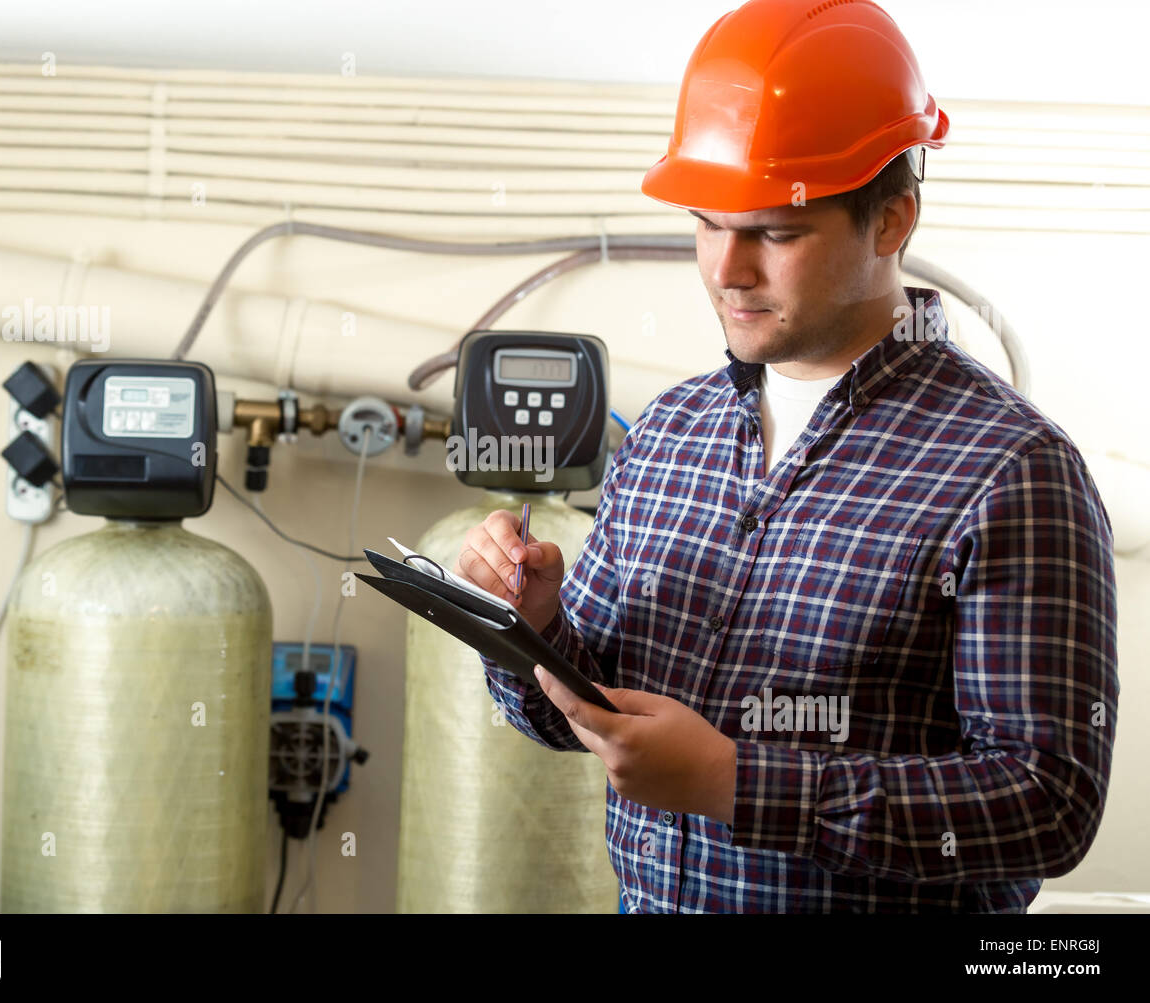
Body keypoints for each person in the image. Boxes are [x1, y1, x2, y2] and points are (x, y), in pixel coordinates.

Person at [454, 0, 1118, 913]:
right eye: (706, 222)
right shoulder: (671, 431)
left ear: (892, 221)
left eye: (775, 232)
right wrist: (531, 623)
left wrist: (737, 781)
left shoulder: (1010, 471)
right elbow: (590, 716)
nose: (727, 269)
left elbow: (1048, 803)